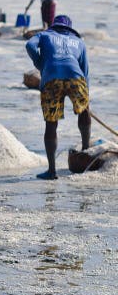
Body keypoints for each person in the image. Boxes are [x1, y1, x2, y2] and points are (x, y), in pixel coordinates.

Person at [25, 15, 91, 180]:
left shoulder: (45, 35)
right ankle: (85, 152)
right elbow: (85, 72)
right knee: (84, 112)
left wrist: (41, 64)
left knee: (51, 123)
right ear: (69, 29)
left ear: (54, 26)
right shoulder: (79, 42)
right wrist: (85, 98)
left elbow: (29, 45)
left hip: (51, 79)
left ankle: (52, 171)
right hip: (76, 77)